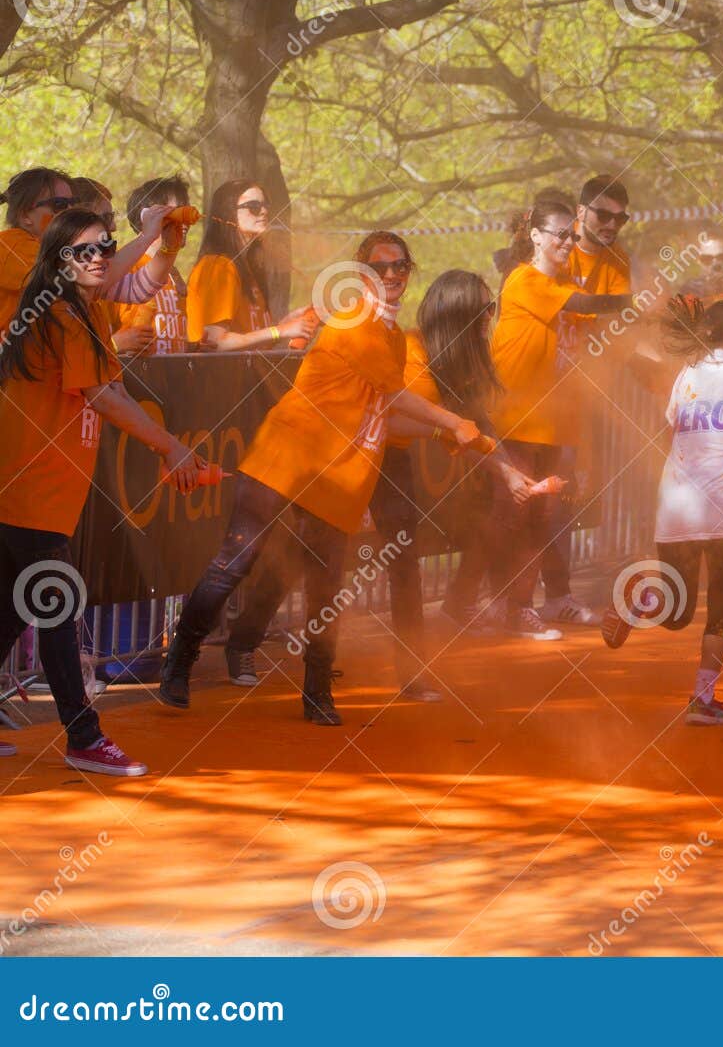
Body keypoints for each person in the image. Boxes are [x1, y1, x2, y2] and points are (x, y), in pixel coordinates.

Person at [157, 231, 483, 725]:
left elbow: (381, 410)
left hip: (336, 474)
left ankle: (315, 690)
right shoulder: (356, 322)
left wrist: (444, 434)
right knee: (235, 560)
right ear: (360, 273)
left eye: (401, 267)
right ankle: (179, 662)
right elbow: (394, 396)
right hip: (286, 453)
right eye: (381, 267)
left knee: (325, 583)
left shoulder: (393, 336)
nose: (393, 276)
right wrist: (452, 422)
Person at [0, 208, 206, 775]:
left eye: (102, 248)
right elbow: (104, 397)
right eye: (81, 252)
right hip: (29, 487)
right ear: (57, 260)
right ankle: (84, 736)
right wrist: (170, 446)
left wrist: (149, 235)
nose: (96, 259)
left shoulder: (80, 305)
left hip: (40, 488)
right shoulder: (62, 314)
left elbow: (122, 272)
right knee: (56, 606)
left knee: (14, 611)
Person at [601, 296, 723, 724]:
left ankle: (635, 603)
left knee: (677, 611)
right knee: (721, 604)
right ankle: (702, 699)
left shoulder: (686, 375)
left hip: (675, 505)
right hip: (720, 509)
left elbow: (671, 424)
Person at [383, 267, 557, 689]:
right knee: (307, 560)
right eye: (484, 309)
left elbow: (478, 424)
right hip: (363, 459)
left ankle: (412, 671)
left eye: (491, 308)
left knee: (404, 565)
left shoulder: (460, 360)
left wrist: (509, 474)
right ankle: (236, 644)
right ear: (457, 313)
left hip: (393, 463)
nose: (490, 318)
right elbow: (389, 423)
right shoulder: (414, 356)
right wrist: (445, 429)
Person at [490, 193, 640, 639]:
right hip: (517, 421)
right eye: (561, 235)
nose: (568, 242)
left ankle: (535, 604)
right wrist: (639, 302)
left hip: (555, 424)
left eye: (571, 236)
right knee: (514, 519)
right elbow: (585, 306)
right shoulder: (525, 280)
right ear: (535, 236)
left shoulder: (563, 280)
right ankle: (501, 606)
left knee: (543, 519)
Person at [533, 173, 637, 629]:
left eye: (621, 217)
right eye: (603, 214)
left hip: (573, 395)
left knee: (560, 497)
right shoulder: (556, 248)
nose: (613, 223)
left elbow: (614, 325)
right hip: (526, 390)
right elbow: (587, 305)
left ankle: (556, 597)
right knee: (511, 500)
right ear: (580, 212)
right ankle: (490, 599)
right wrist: (638, 305)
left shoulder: (617, 261)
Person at [1, 167, 191, 328]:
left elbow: (137, 290)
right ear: (25, 215)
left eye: (72, 204)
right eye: (59, 204)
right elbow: (74, 285)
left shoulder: (63, 255)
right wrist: (146, 236)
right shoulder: (11, 246)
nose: (69, 212)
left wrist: (169, 248)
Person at [186, 179, 314, 351]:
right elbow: (215, 342)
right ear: (228, 213)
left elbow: (249, 338)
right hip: (215, 376)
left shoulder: (247, 267)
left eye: (265, 205)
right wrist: (279, 331)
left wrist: (286, 324)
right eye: (253, 206)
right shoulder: (218, 266)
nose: (264, 211)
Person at [109, 176, 194, 358]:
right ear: (148, 217)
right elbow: (94, 338)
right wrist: (116, 344)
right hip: (134, 380)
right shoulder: (125, 266)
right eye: (178, 213)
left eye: (188, 211)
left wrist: (195, 347)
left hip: (170, 381)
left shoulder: (175, 274)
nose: (187, 221)